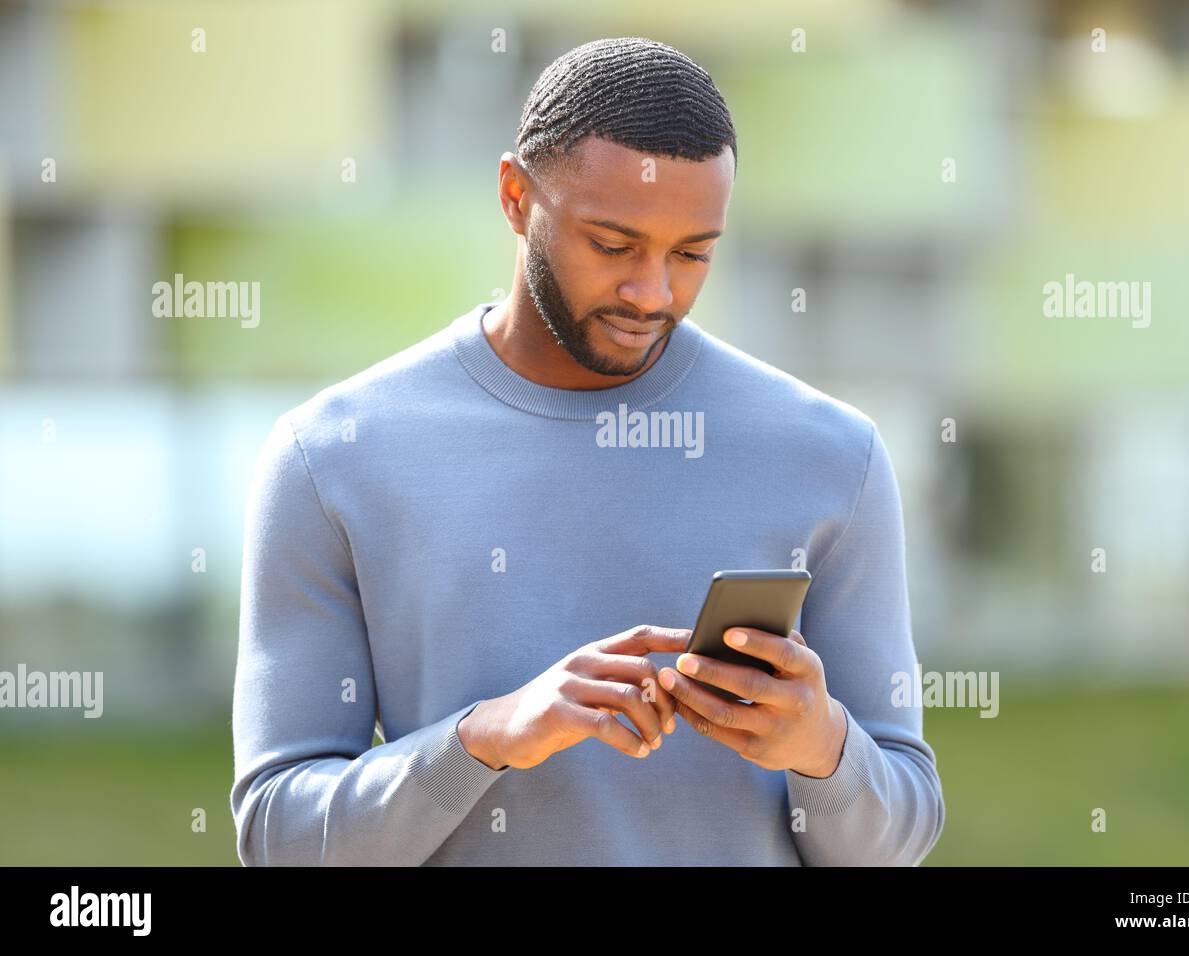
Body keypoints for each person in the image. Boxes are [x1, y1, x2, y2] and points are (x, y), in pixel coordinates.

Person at [230, 36, 944, 866]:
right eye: (612, 245)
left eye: (692, 254)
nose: (652, 293)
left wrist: (823, 749)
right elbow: (281, 840)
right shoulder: (333, 456)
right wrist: (488, 737)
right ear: (513, 196)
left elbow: (898, 838)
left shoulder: (829, 454)